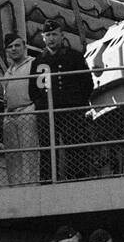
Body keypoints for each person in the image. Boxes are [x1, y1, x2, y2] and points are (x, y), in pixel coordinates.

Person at [31, 20, 93, 181]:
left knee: (75, 145)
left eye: (54, 34)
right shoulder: (38, 61)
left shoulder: (74, 57)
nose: (51, 38)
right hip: (47, 112)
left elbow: (87, 83)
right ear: (43, 38)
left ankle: (78, 178)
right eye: (48, 35)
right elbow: (34, 89)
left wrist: (78, 104)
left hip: (70, 110)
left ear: (61, 36)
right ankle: (47, 180)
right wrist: (41, 106)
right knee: (47, 148)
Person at [0, 33, 39, 185]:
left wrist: (34, 108)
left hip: (27, 111)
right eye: (10, 47)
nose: (13, 49)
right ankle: (15, 186)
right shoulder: (7, 72)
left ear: (24, 46)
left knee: (29, 152)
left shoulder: (33, 63)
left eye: (17, 45)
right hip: (10, 115)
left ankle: (31, 185)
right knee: (12, 155)